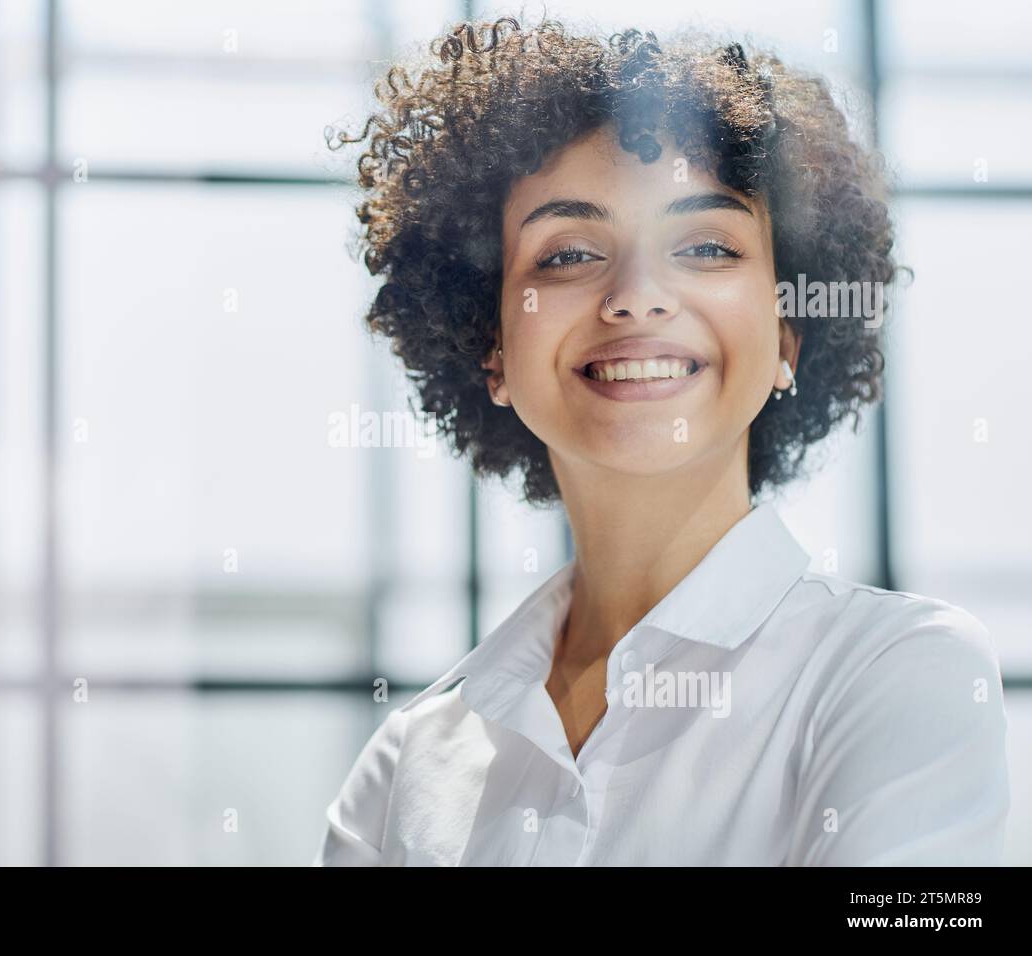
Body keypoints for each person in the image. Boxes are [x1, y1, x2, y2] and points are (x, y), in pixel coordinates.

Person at [312, 17, 1009, 866]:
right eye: (568, 254)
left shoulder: (900, 676)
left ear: (788, 333)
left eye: (707, 246)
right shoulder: (404, 769)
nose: (637, 296)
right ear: (489, 346)